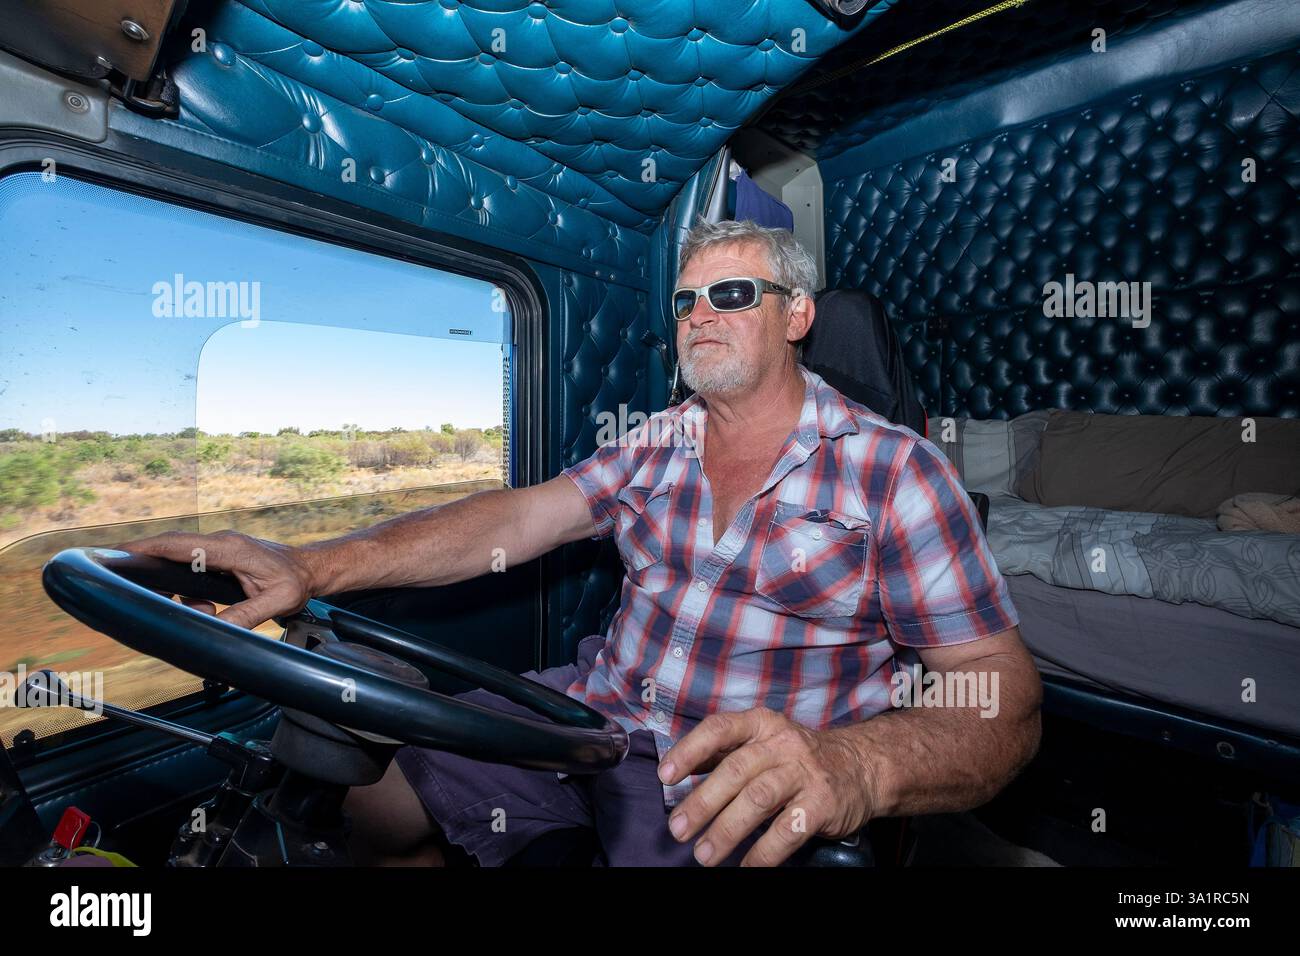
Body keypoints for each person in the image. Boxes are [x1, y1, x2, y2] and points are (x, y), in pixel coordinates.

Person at [124, 219, 1041, 867]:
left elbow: (1003, 702)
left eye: (731, 294)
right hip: (587, 722)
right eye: (686, 302)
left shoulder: (896, 473)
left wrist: (854, 765)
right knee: (374, 796)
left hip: (723, 781)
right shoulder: (655, 437)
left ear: (796, 315)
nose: (700, 316)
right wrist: (314, 563)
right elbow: (519, 518)